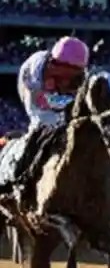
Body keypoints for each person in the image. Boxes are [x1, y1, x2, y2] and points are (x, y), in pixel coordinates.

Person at [0, 36, 92, 194]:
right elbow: (46, 104)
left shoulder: (81, 76)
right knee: (46, 126)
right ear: (55, 63)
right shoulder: (37, 69)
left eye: (74, 74)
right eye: (66, 74)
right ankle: (20, 175)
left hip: (54, 95)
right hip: (33, 89)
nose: (69, 79)